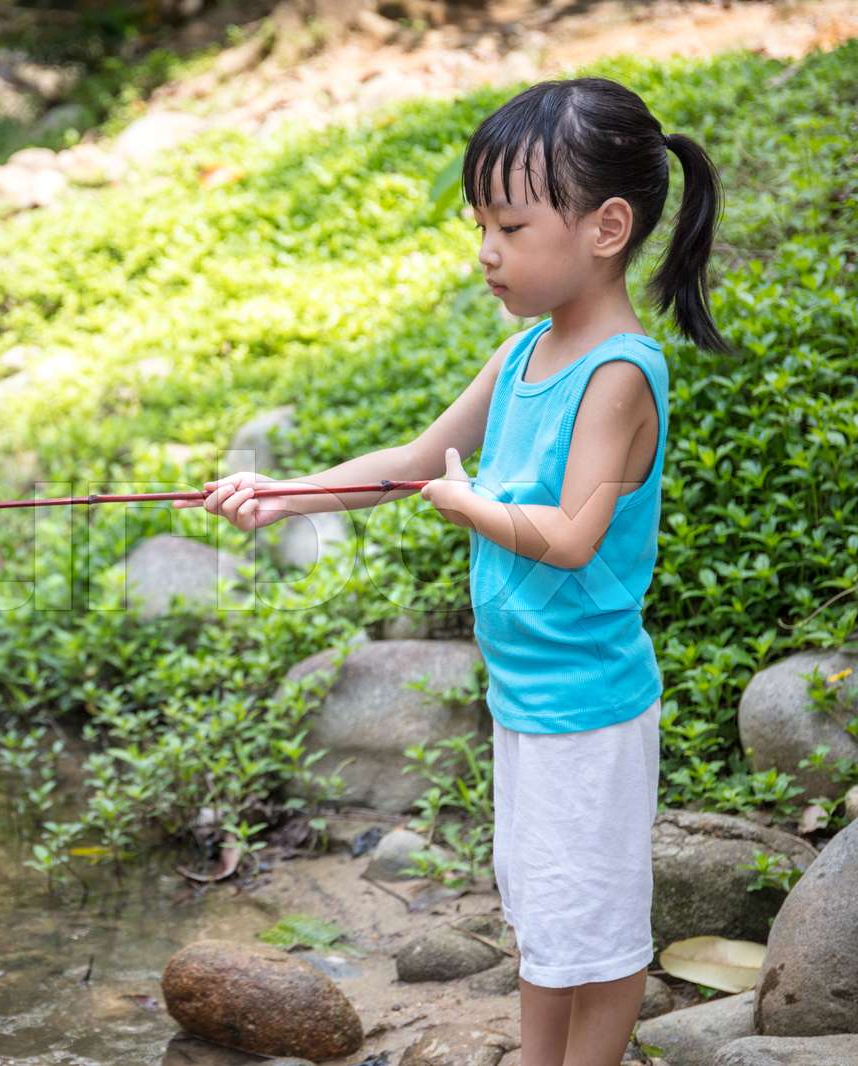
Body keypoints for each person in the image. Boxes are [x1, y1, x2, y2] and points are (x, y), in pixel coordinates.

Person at [177, 76, 733, 1066]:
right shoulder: (524, 354)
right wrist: (279, 493)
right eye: (480, 223)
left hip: (590, 709)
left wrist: (469, 503)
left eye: (510, 226)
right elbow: (405, 461)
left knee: (594, 930)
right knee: (542, 908)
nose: (486, 251)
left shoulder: (617, 373)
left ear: (606, 227)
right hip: (529, 698)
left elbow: (568, 536)